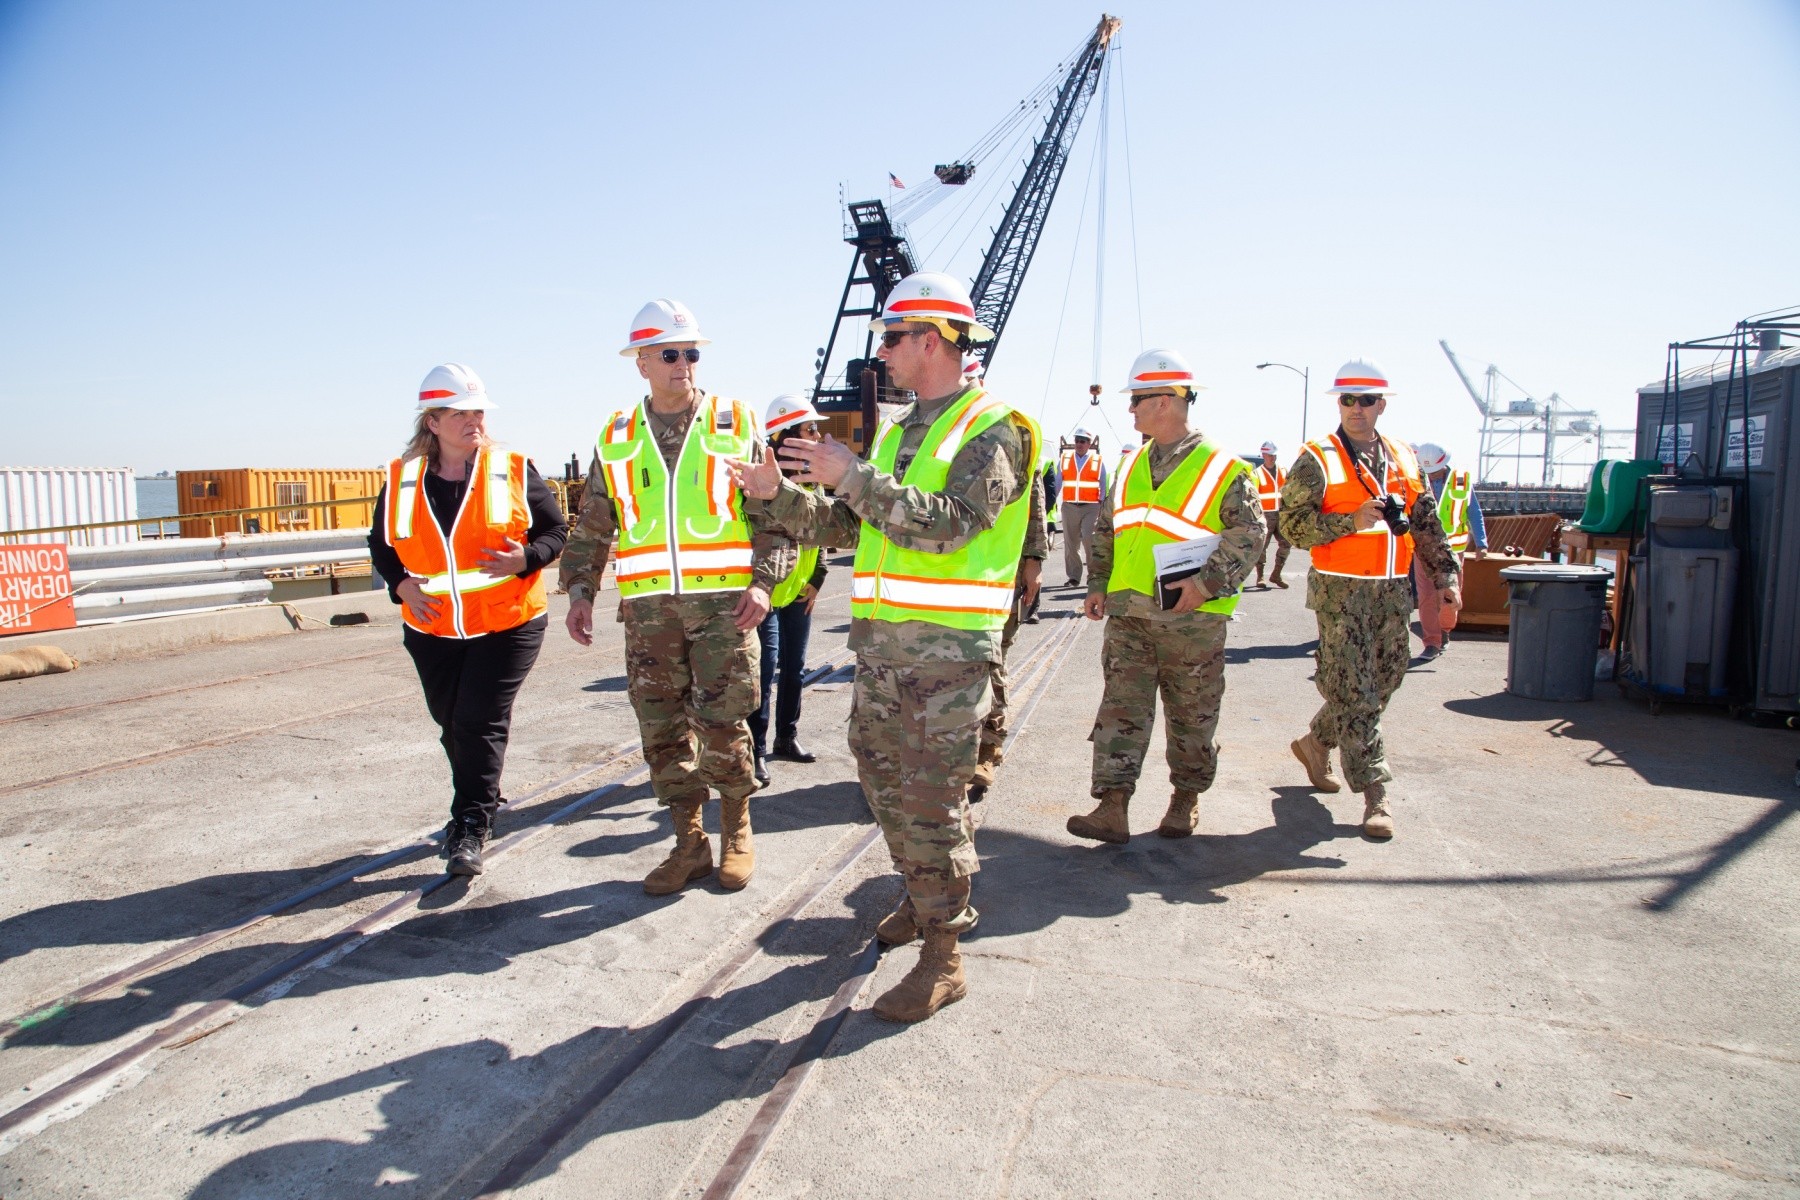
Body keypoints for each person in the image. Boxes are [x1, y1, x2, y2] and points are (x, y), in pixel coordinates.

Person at [731, 270, 1041, 1023]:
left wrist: (856, 477)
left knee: (933, 805)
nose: (883, 355)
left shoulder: (995, 426)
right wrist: (786, 497)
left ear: (931, 340)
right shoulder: (904, 428)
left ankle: (944, 955)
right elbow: (856, 526)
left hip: (947, 657)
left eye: (893, 339)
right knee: (885, 790)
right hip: (884, 653)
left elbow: (952, 522)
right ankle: (921, 894)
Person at [560, 299, 789, 895]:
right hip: (648, 612)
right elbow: (592, 524)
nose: (683, 363)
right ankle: (689, 843)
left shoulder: (734, 422)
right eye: (670, 353)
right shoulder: (616, 437)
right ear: (641, 363)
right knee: (660, 728)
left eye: (691, 352)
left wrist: (765, 583)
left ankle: (737, 829)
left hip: (722, 608)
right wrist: (580, 590)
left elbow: (773, 515)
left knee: (723, 722)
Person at [368, 363, 568, 876]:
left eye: (478, 411)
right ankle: (484, 789)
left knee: (478, 721)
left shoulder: (514, 469)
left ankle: (469, 828)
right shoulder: (401, 479)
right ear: (432, 422)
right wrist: (400, 585)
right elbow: (381, 545)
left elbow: (555, 532)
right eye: (459, 412)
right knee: (452, 724)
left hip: (508, 622)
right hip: (432, 629)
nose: (473, 420)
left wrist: (525, 559)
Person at [1066, 349, 1265, 843]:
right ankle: (1112, 808)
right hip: (1129, 613)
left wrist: (1205, 585)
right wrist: (1097, 585)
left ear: (1166, 401)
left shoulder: (1225, 468)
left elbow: (1251, 534)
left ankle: (1185, 799)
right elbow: (1108, 531)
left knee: (1191, 715)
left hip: (1191, 621)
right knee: (1120, 711)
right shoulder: (1131, 463)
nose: (1129, 410)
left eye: (1136, 400)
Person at [1279, 359, 1461, 839]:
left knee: (1386, 679)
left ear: (1382, 404)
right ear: (1337, 403)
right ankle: (1376, 794)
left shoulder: (1404, 456)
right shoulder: (1316, 457)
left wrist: (1447, 576)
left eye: (1366, 400)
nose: (1356, 409)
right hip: (1339, 594)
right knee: (1357, 695)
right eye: (1347, 400)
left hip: (1391, 593)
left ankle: (1317, 741)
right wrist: (1349, 522)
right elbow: (1290, 526)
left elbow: (1425, 522)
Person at [748, 394, 831, 785]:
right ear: (785, 435)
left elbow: (823, 533)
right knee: (763, 675)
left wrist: (817, 579)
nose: (819, 434)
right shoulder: (765, 481)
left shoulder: (813, 477)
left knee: (794, 670)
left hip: (799, 595)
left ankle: (786, 738)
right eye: (810, 428)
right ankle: (755, 751)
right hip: (767, 597)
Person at [1411, 443, 1486, 661]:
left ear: (1444, 464)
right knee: (1425, 596)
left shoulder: (1461, 481)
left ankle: (1444, 631)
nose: (1431, 475)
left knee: (1448, 595)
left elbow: (1474, 513)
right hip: (1423, 548)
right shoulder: (1416, 479)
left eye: (1434, 471)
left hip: (1453, 550)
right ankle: (1431, 642)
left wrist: (1481, 543)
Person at [1059, 427, 1107, 588]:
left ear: (1089, 444)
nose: (1079, 444)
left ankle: (1094, 576)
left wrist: (1102, 503)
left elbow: (1103, 483)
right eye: (1077, 441)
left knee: (1088, 539)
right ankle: (1074, 577)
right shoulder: (1065, 459)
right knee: (1071, 543)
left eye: (1083, 441)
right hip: (1069, 506)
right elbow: (1058, 482)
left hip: (1091, 507)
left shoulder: (1097, 461)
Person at [1253, 439, 1291, 588]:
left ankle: (1276, 575)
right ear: (1263, 455)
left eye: (1274, 455)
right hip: (1265, 515)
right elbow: (1254, 497)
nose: (1272, 458)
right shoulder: (1257, 473)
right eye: (1270, 455)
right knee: (1262, 546)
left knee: (1286, 544)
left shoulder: (1283, 470)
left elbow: (1288, 490)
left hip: (1281, 513)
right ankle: (1260, 577)